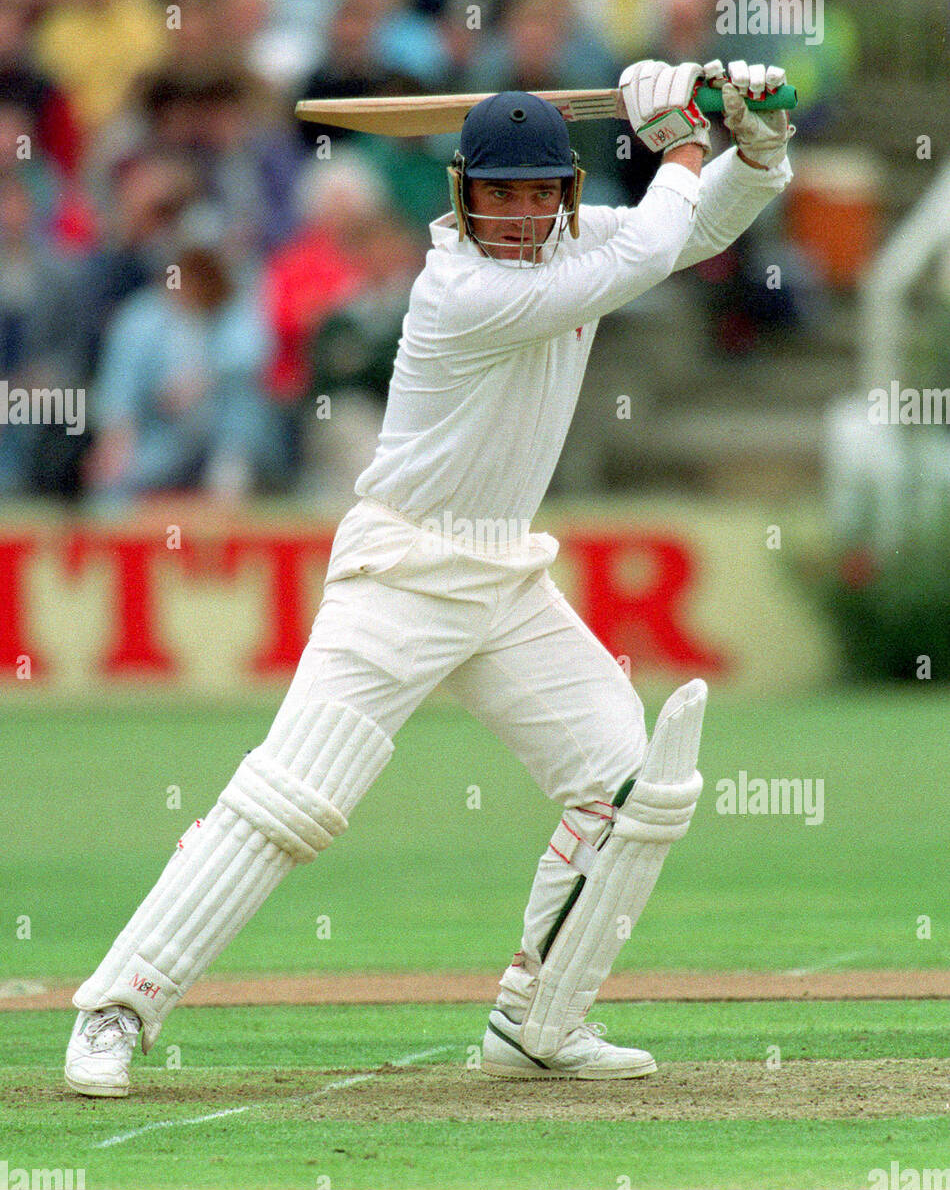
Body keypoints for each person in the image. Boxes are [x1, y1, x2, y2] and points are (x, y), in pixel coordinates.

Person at [65, 58, 794, 1093]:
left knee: (630, 783)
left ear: (563, 193)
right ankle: (115, 1009)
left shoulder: (572, 239)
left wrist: (753, 148)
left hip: (503, 569)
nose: (521, 212)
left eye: (540, 191)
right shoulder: (460, 286)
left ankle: (540, 1020)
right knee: (292, 798)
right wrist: (678, 138)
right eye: (500, 193)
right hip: (402, 564)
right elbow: (645, 250)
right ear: (461, 193)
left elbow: (694, 230)